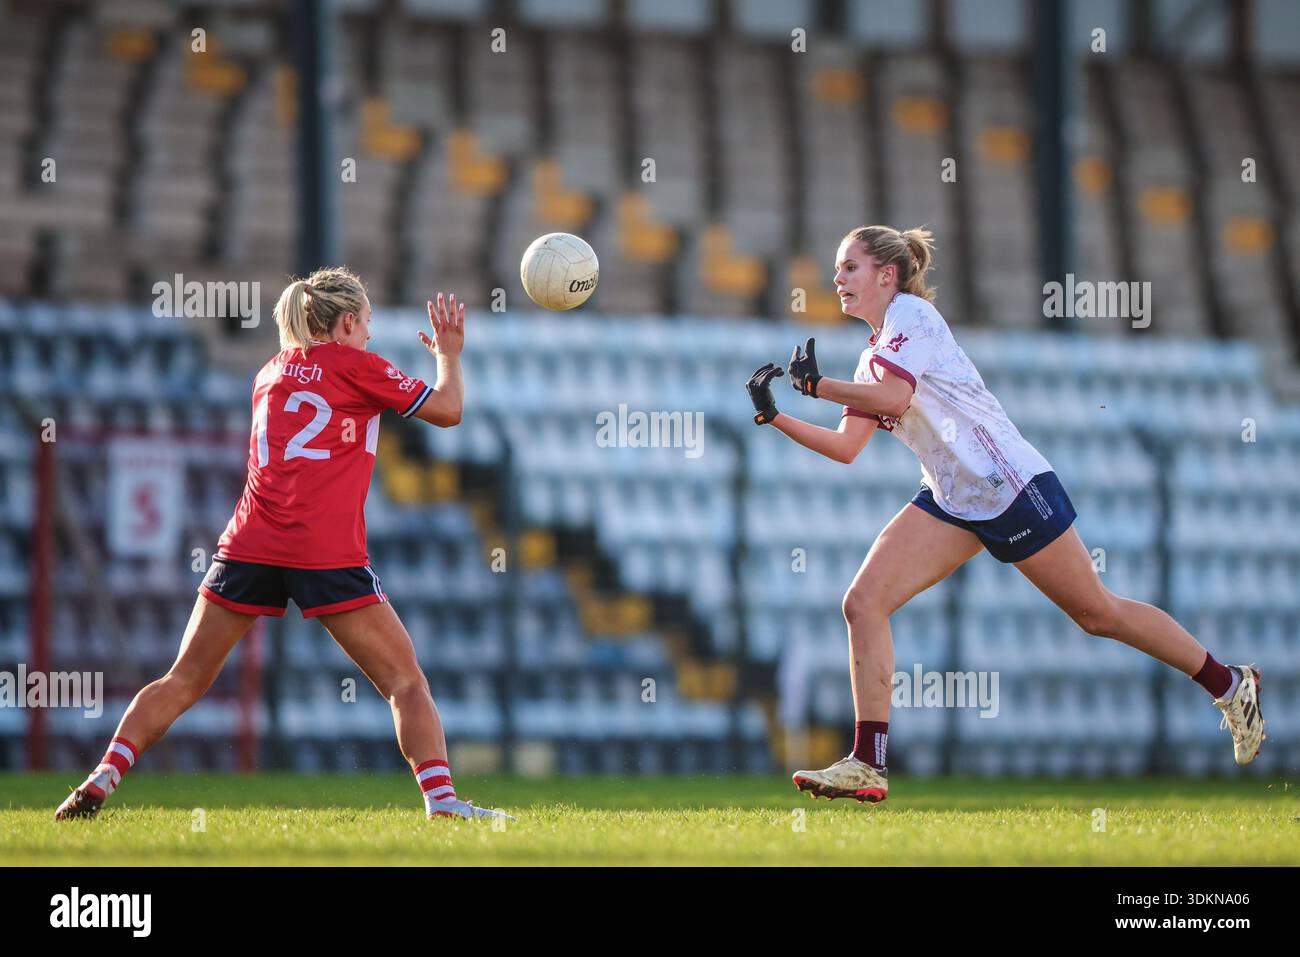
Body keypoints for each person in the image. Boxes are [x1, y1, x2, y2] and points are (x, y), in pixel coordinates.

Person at [745, 225, 1265, 804]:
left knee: (1097, 613)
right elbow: (848, 447)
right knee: (863, 603)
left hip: (1009, 487)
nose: (837, 278)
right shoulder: (872, 356)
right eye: (838, 268)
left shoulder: (912, 317)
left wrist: (817, 386)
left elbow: (893, 400)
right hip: (952, 498)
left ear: (885, 276)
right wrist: (778, 417)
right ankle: (869, 761)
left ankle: (1229, 683)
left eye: (849, 268)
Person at [56, 267, 511, 822]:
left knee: (182, 678)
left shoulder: (269, 372)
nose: (369, 335)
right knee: (404, 681)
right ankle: (442, 801)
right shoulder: (360, 366)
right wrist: (449, 353)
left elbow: (320, 425)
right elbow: (448, 410)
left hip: (248, 543)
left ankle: (105, 771)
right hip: (326, 552)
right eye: (365, 323)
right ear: (346, 322)